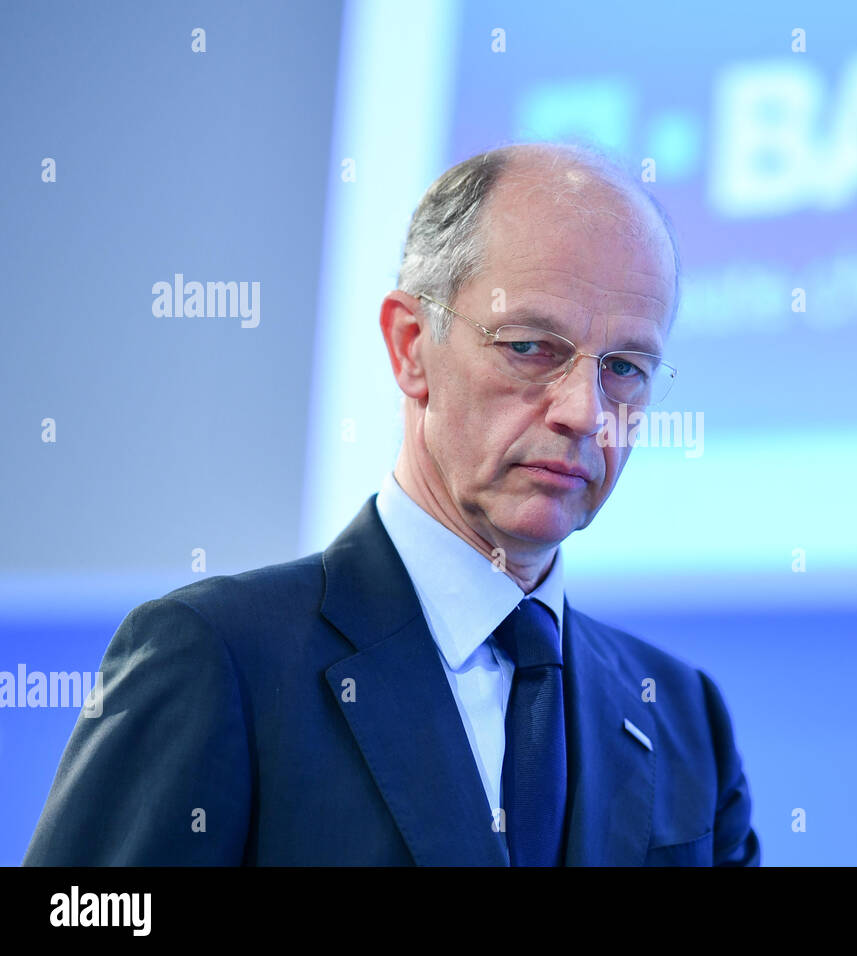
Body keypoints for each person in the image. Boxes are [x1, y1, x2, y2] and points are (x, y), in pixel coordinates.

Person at [23, 142, 760, 866]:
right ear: (411, 346)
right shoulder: (222, 661)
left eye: (626, 368)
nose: (585, 412)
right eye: (532, 347)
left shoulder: (684, 719)